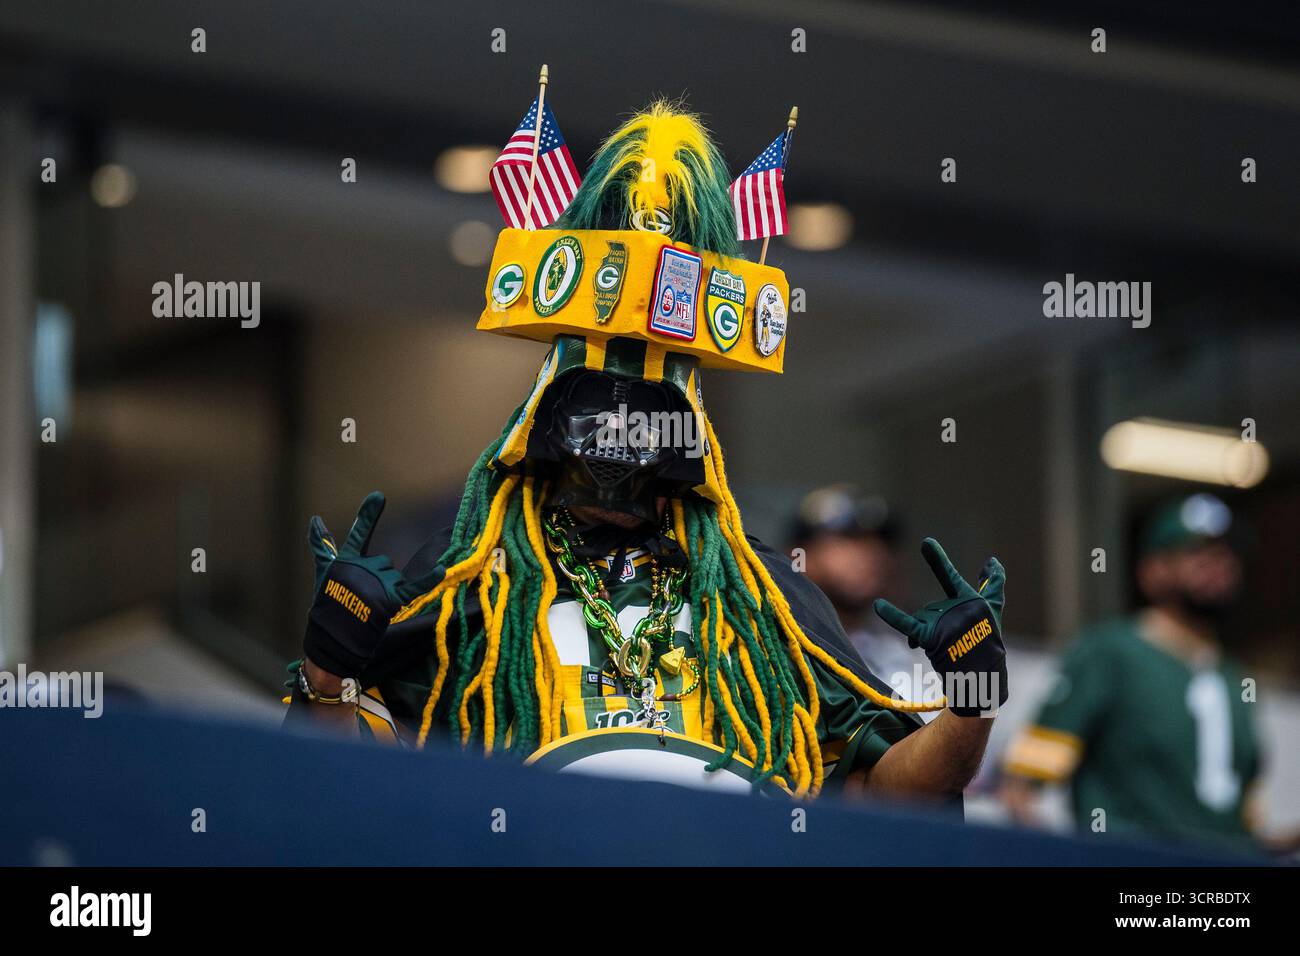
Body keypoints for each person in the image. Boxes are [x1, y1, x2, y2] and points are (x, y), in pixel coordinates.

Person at [284, 102, 1008, 800]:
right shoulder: (475, 575)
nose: (617, 461)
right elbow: (351, 787)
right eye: (592, 429)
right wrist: (329, 669)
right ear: (541, 431)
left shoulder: (763, 599)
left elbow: (881, 792)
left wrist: (971, 703)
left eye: (646, 435)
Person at [1000, 493, 1262, 849]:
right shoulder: (1110, 653)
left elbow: (1244, 818)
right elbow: (1021, 786)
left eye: (1227, 554)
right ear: (1152, 571)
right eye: (1197, 553)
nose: (1219, 565)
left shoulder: (1234, 680)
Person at [790, 485, 937, 714]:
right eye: (848, 539)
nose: (870, 553)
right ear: (799, 554)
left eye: (879, 542)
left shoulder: (914, 655)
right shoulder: (766, 641)